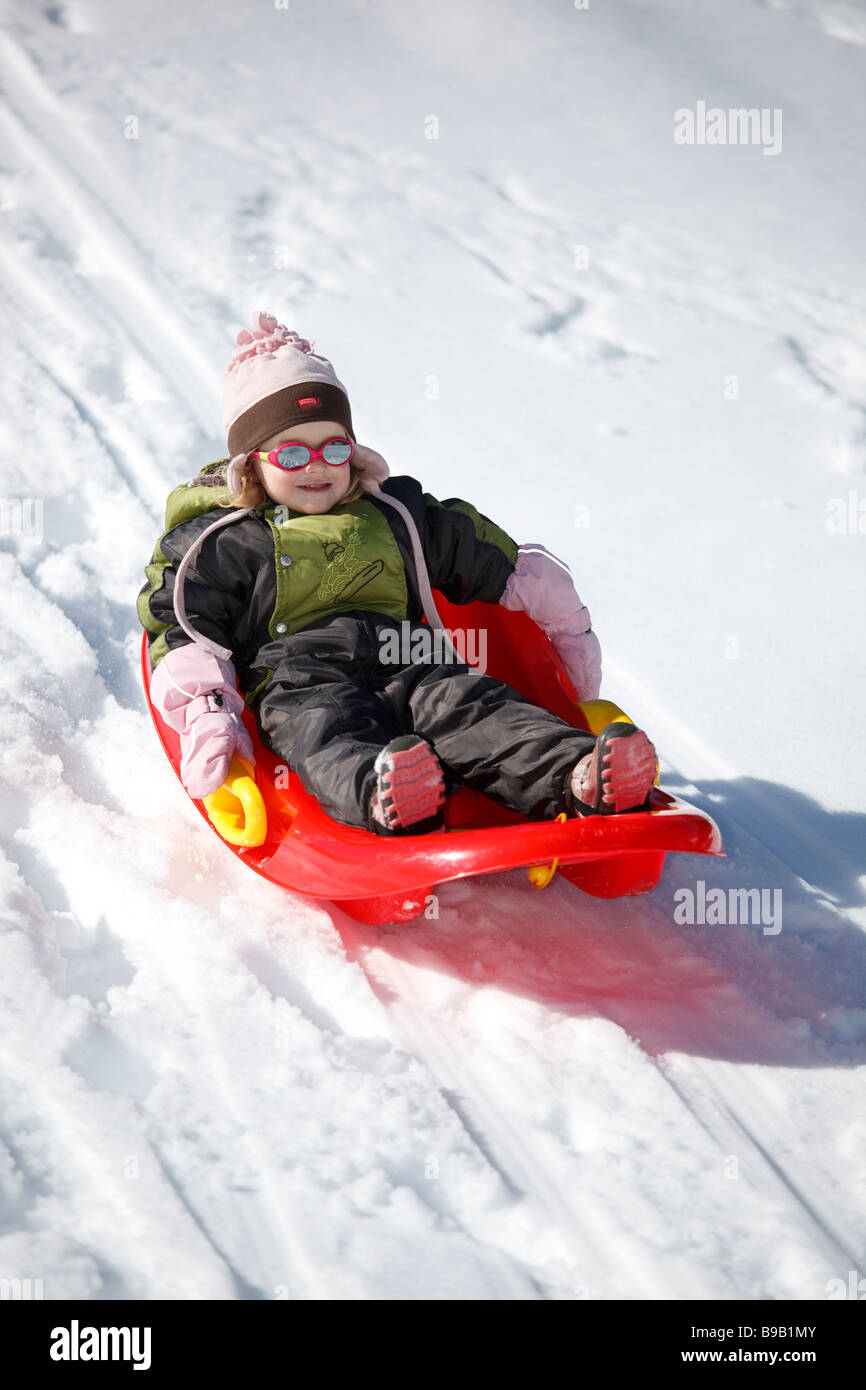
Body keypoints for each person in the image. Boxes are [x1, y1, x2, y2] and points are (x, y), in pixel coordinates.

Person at [138, 312, 656, 836]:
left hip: (410, 657)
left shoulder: (392, 511)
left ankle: (580, 775)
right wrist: (208, 709)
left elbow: (476, 550)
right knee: (326, 729)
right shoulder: (223, 538)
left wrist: (549, 599)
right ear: (251, 464)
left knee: (477, 708)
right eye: (292, 453)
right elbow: (184, 625)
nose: (317, 466)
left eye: (333, 448)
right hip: (298, 675)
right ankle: (387, 795)